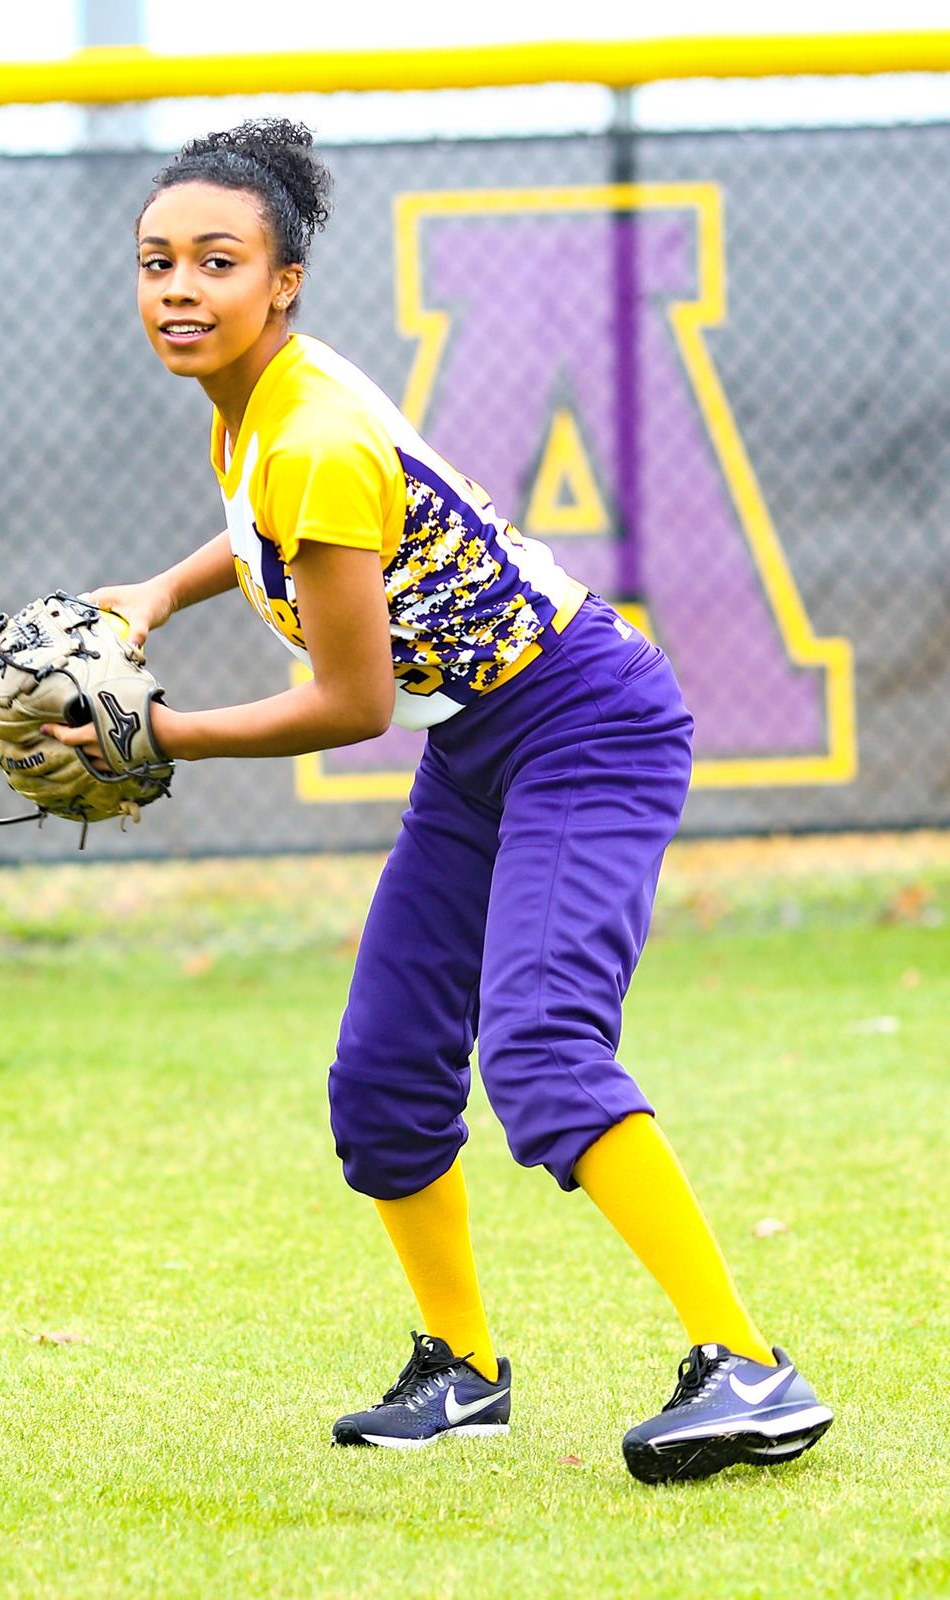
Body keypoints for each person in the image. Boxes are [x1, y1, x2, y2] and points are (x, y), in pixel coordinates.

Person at [43, 119, 833, 1483]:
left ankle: (752, 1371)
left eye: (216, 262)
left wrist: (156, 735)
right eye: (156, 261)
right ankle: (462, 1373)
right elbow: (272, 536)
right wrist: (161, 593)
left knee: (539, 1050)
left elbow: (349, 705)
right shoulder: (259, 410)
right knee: (387, 1080)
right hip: (481, 747)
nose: (179, 288)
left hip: (584, 723)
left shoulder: (311, 431)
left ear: (283, 280)